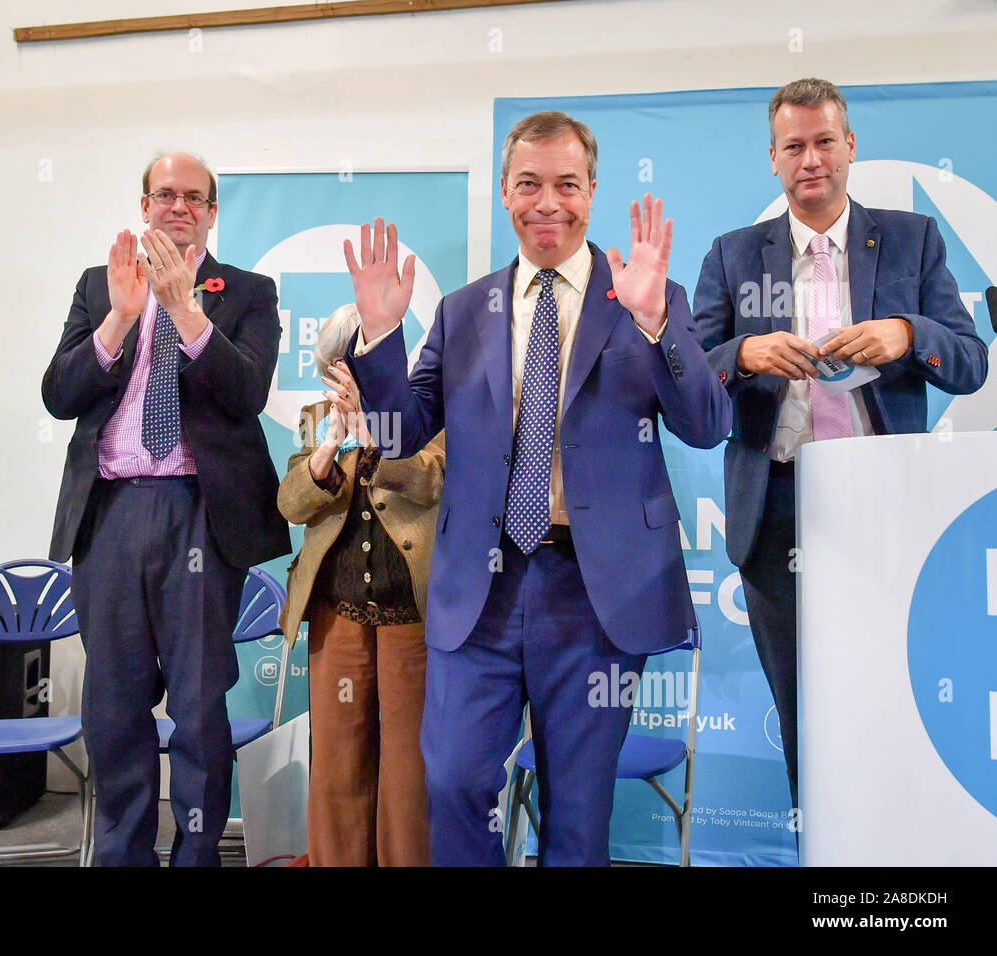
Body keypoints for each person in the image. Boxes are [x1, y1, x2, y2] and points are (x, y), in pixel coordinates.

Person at [340, 112, 731, 865]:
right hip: (477, 592)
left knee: (577, 818)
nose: (547, 202)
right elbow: (397, 436)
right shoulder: (464, 311)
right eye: (529, 184)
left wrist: (656, 327)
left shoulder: (648, 297)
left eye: (566, 185)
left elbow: (707, 424)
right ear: (504, 192)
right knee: (452, 783)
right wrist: (381, 339)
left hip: (595, 595)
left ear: (592, 193)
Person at [692, 77, 988, 815]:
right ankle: (819, 848)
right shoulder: (732, 256)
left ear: (850, 146)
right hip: (776, 511)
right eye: (794, 146)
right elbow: (690, 378)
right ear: (773, 159)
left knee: (889, 695)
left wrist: (909, 334)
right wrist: (747, 353)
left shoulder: (913, 239)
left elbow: (972, 360)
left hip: (887, 509)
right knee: (802, 708)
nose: (811, 159)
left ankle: (895, 854)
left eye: (825, 141)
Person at [42, 152, 289, 866]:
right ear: (144, 204)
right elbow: (59, 395)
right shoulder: (100, 285)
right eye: (165, 195)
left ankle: (198, 852)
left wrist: (184, 310)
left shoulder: (246, 291)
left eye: (194, 198)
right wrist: (119, 320)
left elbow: (246, 395)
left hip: (201, 515)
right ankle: (122, 852)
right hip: (111, 511)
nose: (178, 207)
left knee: (198, 704)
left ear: (212, 212)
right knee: (114, 706)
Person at [278, 304, 445, 867]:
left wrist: (375, 438)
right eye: (338, 369)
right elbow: (291, 504)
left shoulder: (427, 410)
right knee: (336, 758)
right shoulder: (315, 416)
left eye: (358, 364)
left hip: (409, 611)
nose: (345, 379)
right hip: (337, 609)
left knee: (407, 765)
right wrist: (328, 448)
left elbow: (431, 480)